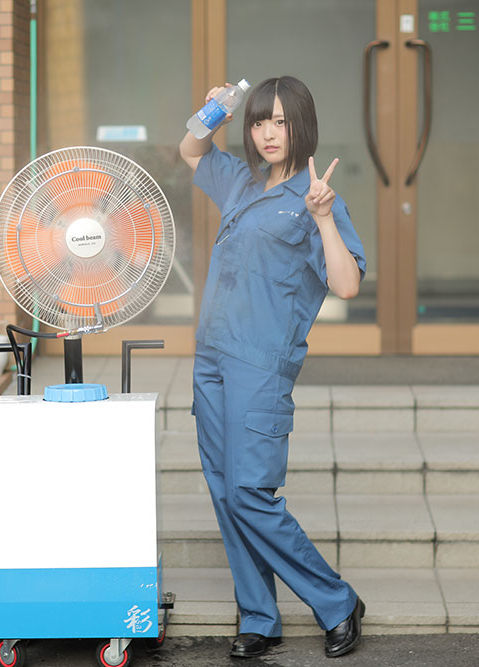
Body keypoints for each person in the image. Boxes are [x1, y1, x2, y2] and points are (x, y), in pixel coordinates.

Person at [179, 75, 367, 659]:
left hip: (261, 365)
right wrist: (216, 107)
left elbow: (347, 284)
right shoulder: (240, 183)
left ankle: (336, 601)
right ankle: (258, 616)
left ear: (301, 127)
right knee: (223, 491)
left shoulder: (314, 200)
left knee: (249, 491)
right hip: (211, 358)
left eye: (280, 121)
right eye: (260, 121)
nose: (267, 132)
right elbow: (190, 149)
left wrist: (325, 219)